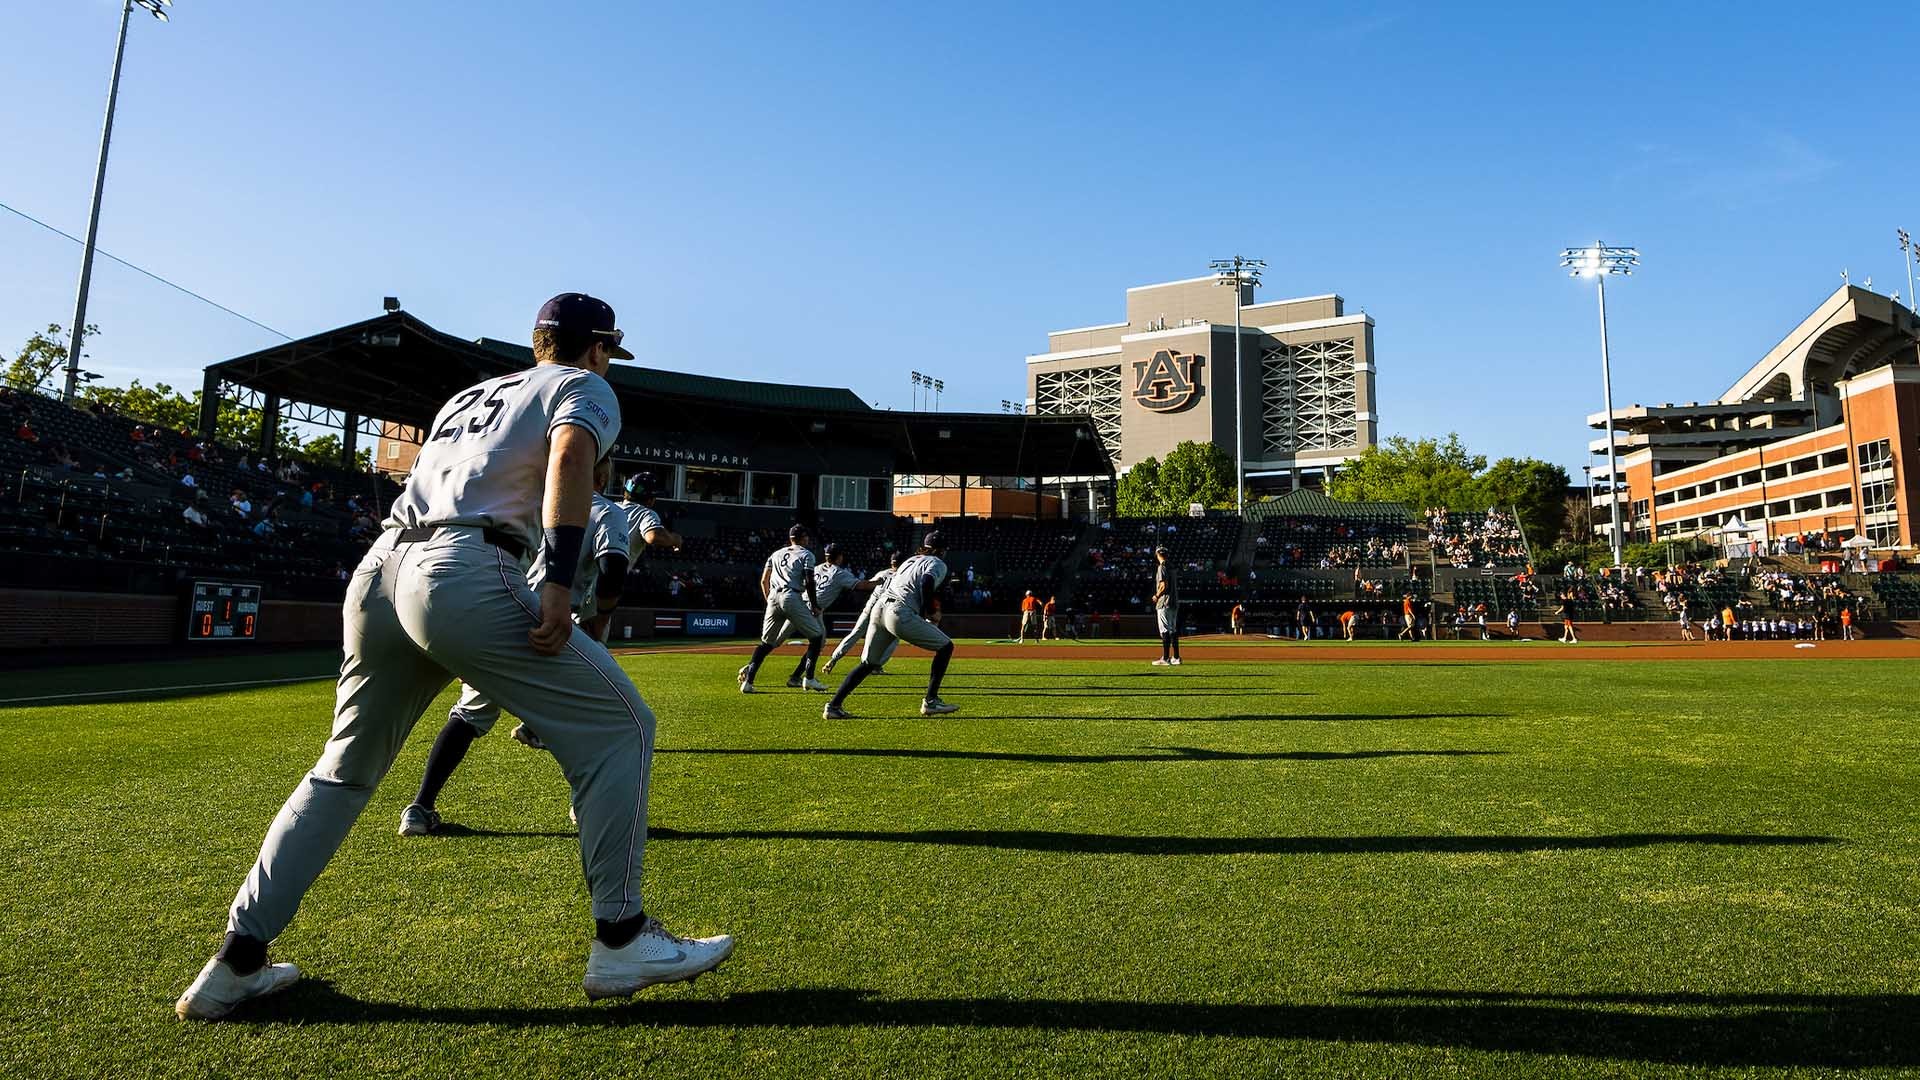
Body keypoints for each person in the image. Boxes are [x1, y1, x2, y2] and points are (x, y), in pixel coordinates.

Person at [174, 292, 731, 1022]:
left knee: (343, 769)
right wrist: (560, 582)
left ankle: (237, 960)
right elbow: (569, 457)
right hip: (465, 568)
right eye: (607, 352)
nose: (607, 363)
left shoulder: (470, 394)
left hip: (381, 567)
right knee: (621, 726)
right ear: (597, 348)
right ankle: (622, 939)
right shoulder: (583, 384)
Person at [396, 455, 632, 838]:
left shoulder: (540, 500)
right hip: (558, 619)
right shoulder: (607, 511)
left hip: (505, 608)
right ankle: (586, 806)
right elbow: (613, 569)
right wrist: (603, 616)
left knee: (469, 715)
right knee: (591, 715)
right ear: (603, 476)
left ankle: (420, 808)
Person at [822, 532, 958, 718]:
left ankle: (833, 706)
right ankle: (931, 701)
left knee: (868, 663)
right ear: (940, 550)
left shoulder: (910, 560)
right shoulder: (937, 563)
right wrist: (931, 612)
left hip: (880, 608)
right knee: (946, 647)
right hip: (899, 612)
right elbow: (926, 582)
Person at [764, 542, 871, 688]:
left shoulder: (817, 567)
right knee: (816, 641)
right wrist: (879, 582)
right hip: (811, 608)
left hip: (800, 603)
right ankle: (801, 677)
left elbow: (804, 582)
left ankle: (791, 676)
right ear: (839, 557)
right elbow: (862, 585)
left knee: (779, 639)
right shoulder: (839, 573)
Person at [737, 525, 824, 693]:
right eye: (806, 536)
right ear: (803, 538)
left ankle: (748, 683)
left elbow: (764, 580)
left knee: (766, 643)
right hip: (791, 596)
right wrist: (814, 605)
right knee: (817, 637)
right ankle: (809, 679)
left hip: (773, 597)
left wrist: (770, 600)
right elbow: (809, 581)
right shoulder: (806, 554)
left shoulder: (776, 553)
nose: (808, 539)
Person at [823, 551, 902, 676]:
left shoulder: (882, 573)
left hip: (870, 607)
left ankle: (833, 659)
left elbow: (868, 585)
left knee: (855, 634)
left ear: (892, 562)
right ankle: (876, 666)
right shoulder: (902, 575)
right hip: (885, 610)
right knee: (894, 637)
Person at [1151, 545, 1181, 667]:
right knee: (1173, 630)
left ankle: (1165, 658)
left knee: (1164, 630)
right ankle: (1176, 657)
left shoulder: (1162, 567)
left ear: (1157, 555)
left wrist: (1156, 595)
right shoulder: (1172, 567)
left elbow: (1163, 585)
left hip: (1164, 601)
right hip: (1174, 602)